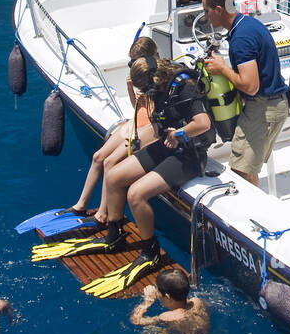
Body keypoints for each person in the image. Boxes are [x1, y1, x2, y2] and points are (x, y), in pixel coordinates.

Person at [73, 57, 214, 297]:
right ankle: (115, 234)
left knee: (136, 194)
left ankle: (150, 252)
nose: (145, 93)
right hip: (166, 144)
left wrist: (179, 132)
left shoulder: (185, 87)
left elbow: (204, 123)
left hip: (189, 156)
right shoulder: (158, 89)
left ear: (155, 78)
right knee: (115, 175)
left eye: (145, 88)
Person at [201, 0, 289, 187]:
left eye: (207, 11)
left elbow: (250, 86)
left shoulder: (241, 38)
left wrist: (222, 68)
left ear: (219, 9)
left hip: (263, 109)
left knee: (241, 171)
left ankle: (252, 216)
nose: (206, 16)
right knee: (247, 170)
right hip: (272, 104)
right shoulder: (246, 24)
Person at [68, 35, 159, 226]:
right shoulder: (141, 75)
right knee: (98, 157)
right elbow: (137, 107)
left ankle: (102, 214)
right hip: (133, 122)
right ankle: (80, 205)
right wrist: (130, 87)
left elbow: (154, 116)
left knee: (110, 163)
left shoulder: (156, 77)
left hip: (144, 129)